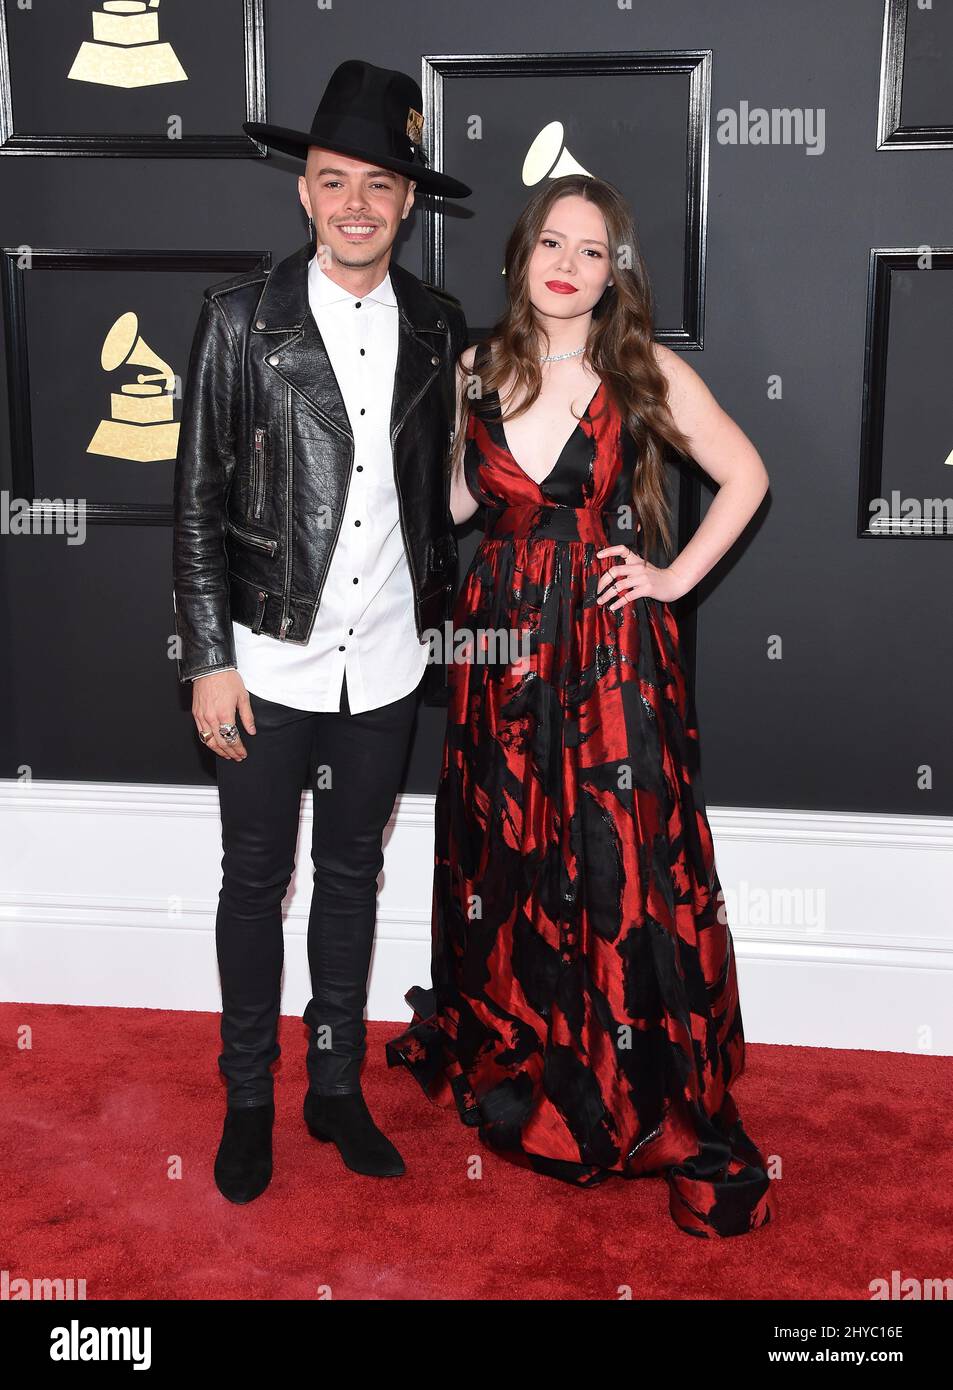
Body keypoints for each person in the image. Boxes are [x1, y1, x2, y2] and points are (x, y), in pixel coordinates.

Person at [386, 173, 778, 1238]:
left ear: (615, 273)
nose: (566, 262)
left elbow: (744, 475)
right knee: (506, 850)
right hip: (499, 647)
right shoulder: (475, 367)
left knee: (615, 854)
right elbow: (458, 503)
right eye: (549, 242)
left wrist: (668, 577)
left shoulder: (638, 366)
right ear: (519, 256)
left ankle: (626, 1076)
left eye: (591, 250)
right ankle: (521, 1038)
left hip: (605, 654)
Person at [171, 60, 470, 1203]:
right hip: (262, 661)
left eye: (380, 184)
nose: (356, 203)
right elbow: (197, 501)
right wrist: (207, 656)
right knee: (256, 880)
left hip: (386, 664)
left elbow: (435, 486)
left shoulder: (440, 328)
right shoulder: (237, 322)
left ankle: (332, 1085)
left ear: (407, 201)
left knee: (351, 876)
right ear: (303, 190)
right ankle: (248, 1095)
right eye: (334, 179)